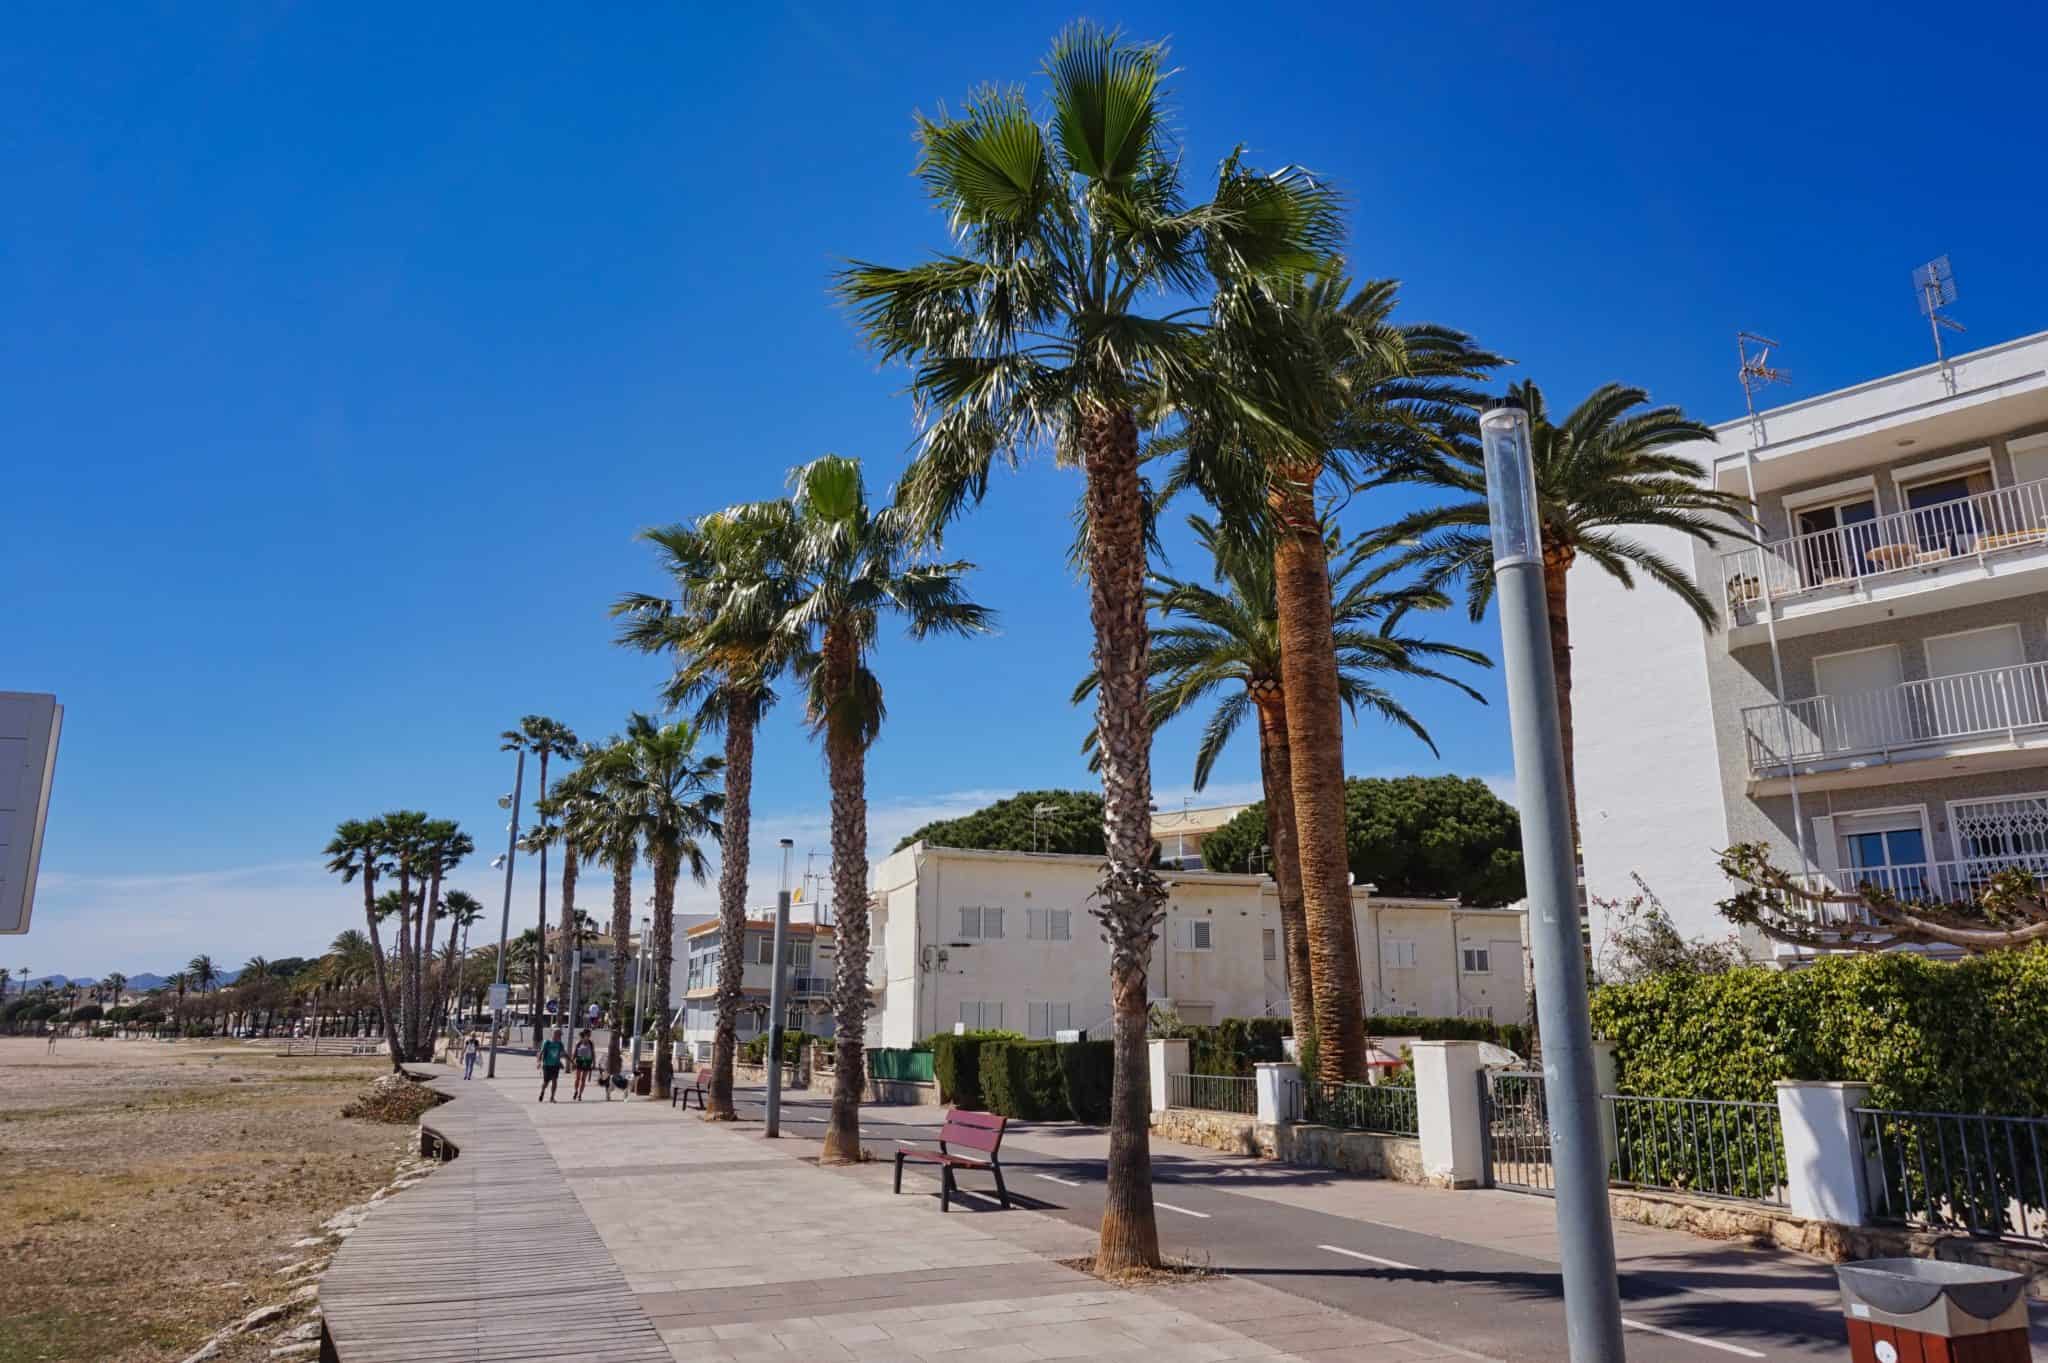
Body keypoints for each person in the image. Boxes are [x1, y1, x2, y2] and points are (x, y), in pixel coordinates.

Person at [537, 1028, 565, 1103]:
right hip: (547, 1065)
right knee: (546, 1082)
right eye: (559, 1035)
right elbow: (541, 1052)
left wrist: (571, 1062)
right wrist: (539, 1062)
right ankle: (542, 1091)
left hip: (556, 1065)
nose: (560, 1037)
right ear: (555, 1034)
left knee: (555, 1081)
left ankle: (552, 1097)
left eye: (560, 1035)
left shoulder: (560, 1044)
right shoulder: (547, 1042)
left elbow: (564, 1053)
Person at [570, 1028, 597, 1101]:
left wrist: (594, 1063)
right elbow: (575, 1053)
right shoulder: (578, 1042)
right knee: (577, 1078)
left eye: (589, 1035)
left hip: (587, 1061)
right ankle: (576, 1090)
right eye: (588, 1035)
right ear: (584, 1035)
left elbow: (593, 1053)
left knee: (583, 1079)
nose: (589, 1036)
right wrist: (572, 1062)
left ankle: (580, 1094)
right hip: (579, 1061)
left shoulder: (591, 1043)